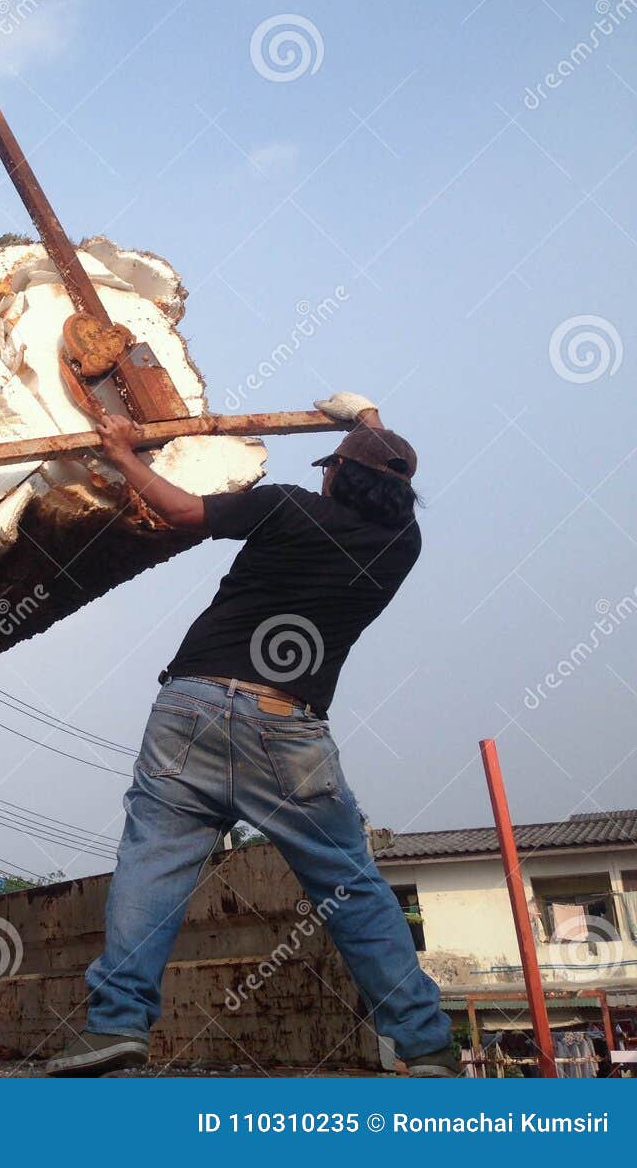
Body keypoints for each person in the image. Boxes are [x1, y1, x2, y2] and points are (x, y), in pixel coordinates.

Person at [47, 392, 457, 1077]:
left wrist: (119, 451)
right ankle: (424, 1044)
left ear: (335, 475)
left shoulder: (289, 506)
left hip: (192, 708)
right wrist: (373, 422)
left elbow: (181, 511)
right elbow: (382, 472)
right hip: (287, 728)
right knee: (351, 885)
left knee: (153, 864)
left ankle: (116, 1024)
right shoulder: (401, 546)